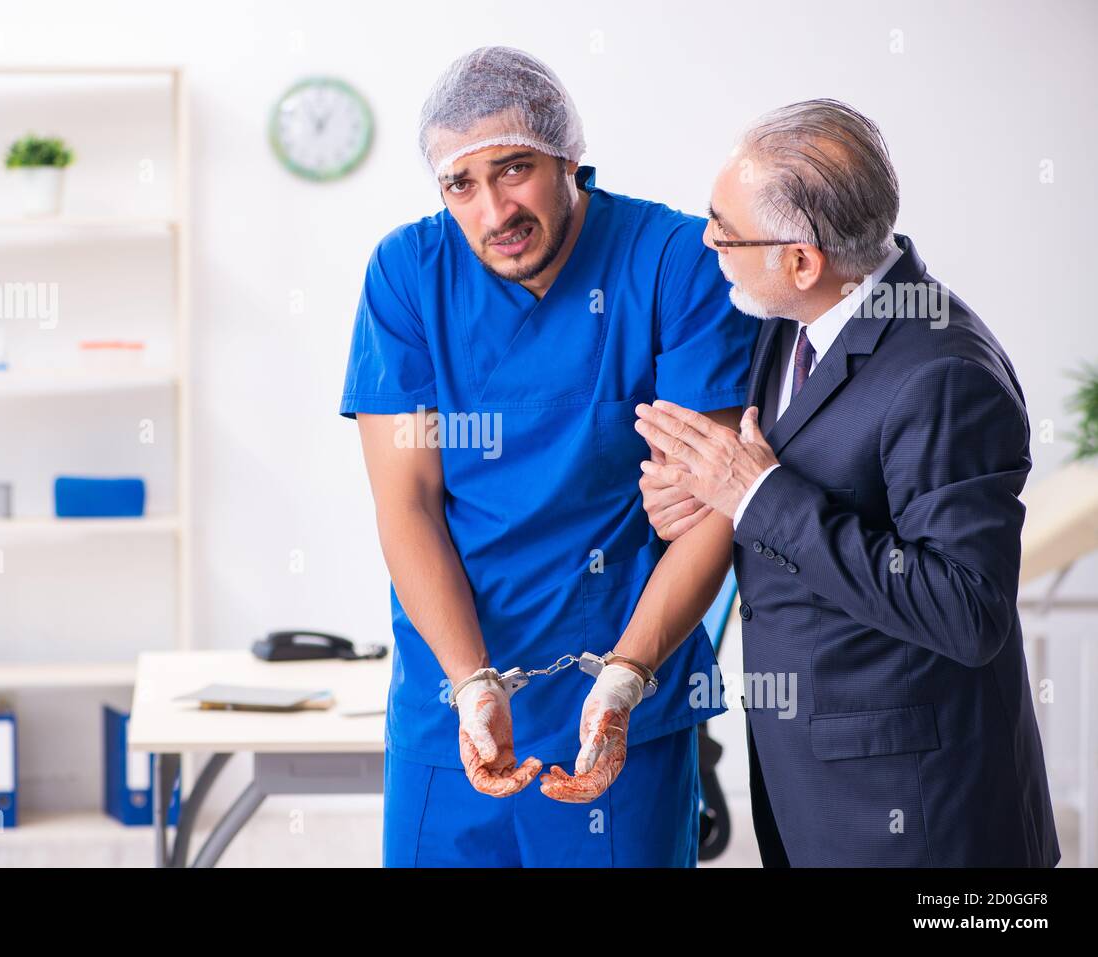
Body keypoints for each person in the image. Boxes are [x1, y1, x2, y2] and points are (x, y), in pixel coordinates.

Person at [339, 46, 758, 866]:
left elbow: (716, 503)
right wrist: (468, 683)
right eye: (461, 184)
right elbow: (408, 503)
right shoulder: (407, 274)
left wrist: (627, 676)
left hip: (623, 701)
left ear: (570, 155)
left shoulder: (674, 263)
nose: (494, 210)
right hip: (451, 701)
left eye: (515, 169)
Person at [636, 99, 1060, 866]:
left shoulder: (944, 374)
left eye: (725, 231)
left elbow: (967, 610)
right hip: (814, 791)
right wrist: (712, 493)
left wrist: (760, 497)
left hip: (921, 816)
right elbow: (795, 482)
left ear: (802, 259)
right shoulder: (788, 317)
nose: (708, 243)